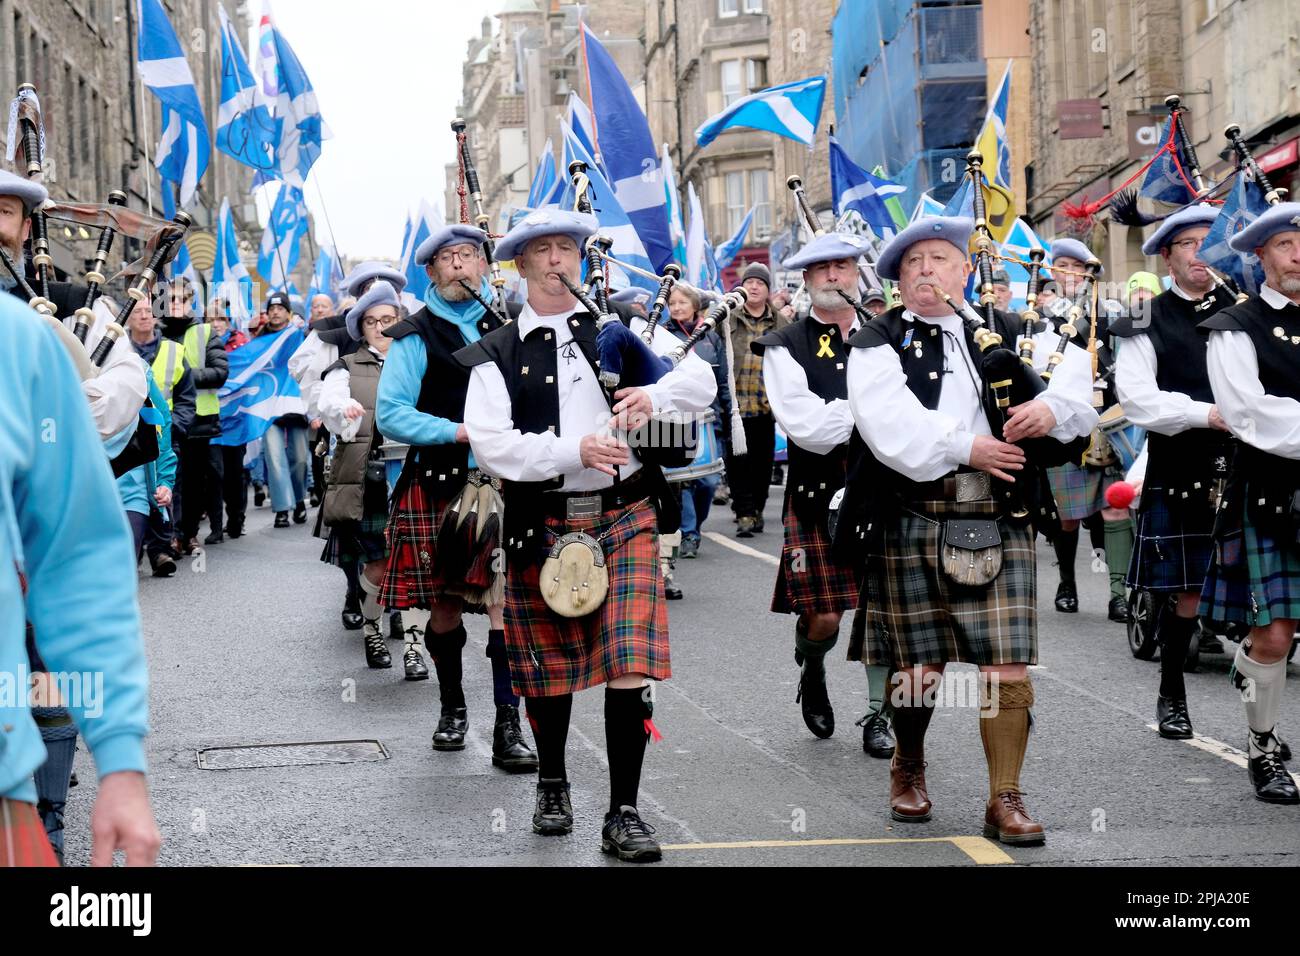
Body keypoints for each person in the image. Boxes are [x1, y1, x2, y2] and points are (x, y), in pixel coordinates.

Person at [457, 209, 715, 861]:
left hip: (625, 515)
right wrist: (577, 449)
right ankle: (551, 782)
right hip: (540, 520)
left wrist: (656, 399)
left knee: (627, 663)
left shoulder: (614, 332)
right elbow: (493, 446)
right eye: (541, 251)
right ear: (519, 266)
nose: (556, 261)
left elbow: (700, 380)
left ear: (581, 258)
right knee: (548, 672)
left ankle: (624, 812)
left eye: (566, 248)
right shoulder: (495, 353)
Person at [843, 215, 1096, 844]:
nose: (925, 270)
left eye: (937, 259)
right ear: (898, 280)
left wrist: (1050, 409)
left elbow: (1078, 386)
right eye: (911, 263)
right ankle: (908, 762)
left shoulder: (1011, 330)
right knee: (918, 670)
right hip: (915, 511)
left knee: (1006, 668)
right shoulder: (877, 341)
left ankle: (1005, 797)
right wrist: (970, 446)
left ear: (965, 269)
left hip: (1000, 515)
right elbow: (890, 428)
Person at [1, 291, 161, 866]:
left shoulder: (21, 339)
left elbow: (79, 565)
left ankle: (50, 818)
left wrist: (121, 761)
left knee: (44, 679)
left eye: (9, 211)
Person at [377, 225, 537, 769]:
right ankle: (452, 707)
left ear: (486, 266)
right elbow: (391, 413)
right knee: (444, 608)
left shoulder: (515, 325)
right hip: (441, 483)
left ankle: (507, 724)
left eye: (468, 256)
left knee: (504, 606)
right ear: (431, 272)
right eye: (447, 259)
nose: (459, 266)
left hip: (510, 483)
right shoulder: (414, 335)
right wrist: (460, 432)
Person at [753, 231, 895, 758]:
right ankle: (812, 665)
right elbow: (807, 427)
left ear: (859, 273)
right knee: (826, 616)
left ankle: (879, 713)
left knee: (885, 610)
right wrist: (872, 410)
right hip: (820, 492)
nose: (835, 275)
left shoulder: (889, 336)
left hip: (884, 486)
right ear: (808, 281)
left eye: (844, 266)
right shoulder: (785, 346)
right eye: (823, 269)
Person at [1112, 205, 1235, 740]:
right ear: (1167, 255)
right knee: (1187, 593)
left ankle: (1261, 714)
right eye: (1189, 243)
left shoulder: (1244, 308)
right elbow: (1137, 400)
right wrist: (1204, 413)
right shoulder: (1144, 317)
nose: (1201, 252)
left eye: (1210, 241)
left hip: (1252, 464)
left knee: (1269, 601)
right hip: (1183, 464)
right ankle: (1171, 693)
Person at [1199, 202, 1300, 804]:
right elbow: (1247, 414)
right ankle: (1263, 747)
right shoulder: (1236, 327)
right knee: (1275, 636)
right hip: (1273, 496)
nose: (1298, 255)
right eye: (1286, 244)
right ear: (1260, 256)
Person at [317, 281, 424, 677]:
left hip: (417, 474)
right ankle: (373, 629)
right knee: (378, 567)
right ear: (360, 329)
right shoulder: (345, 367)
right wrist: (341, 409)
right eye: (371, 321)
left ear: (401, 322)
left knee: (415, 564)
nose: (380, 327)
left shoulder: (418, 361)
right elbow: (327, 403)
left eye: (388, 319)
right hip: (372, 479)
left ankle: (414, 647)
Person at [1040, 237, 1131, 620]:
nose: (1070, 273)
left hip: (1108, 419)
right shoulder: (1043, 316)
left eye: (1077, 267)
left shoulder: (1110, 311)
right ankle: (1066, 583)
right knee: (1068, 515)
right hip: (1064, 421)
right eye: (1061, 266)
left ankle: (1117, 595)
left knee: (1115, 506)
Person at [662, 284, 733, 566]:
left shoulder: (711, 336)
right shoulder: (662, 334)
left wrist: (730, 414)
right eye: (672, 303)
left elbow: (724, 378)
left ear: (694, 306)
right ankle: (689, 534)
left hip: (710, 418)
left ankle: (696, 525)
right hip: (678, 417)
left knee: (708, 481)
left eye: (682, 302)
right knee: (684, 480)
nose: (677, 307)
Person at [162, 279, 229, 549]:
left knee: (192, 481)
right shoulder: (158, 333)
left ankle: (188, 533)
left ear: (191, 302)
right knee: (170, 480)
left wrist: (185, 376)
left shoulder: (205, 332)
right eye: (172, 299)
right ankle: (171, 535)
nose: (177, 304)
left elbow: (220, 372)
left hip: (199, 421)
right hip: (165, 419)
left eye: (182, 299)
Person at [724, 261, 787, 537]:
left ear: (767, 289)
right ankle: (744, 513)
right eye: (749, 282)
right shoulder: (728, 319)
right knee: (737, 465)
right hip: (736, 408)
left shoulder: (781, 323)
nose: (754, 286)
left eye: (760, 282)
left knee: (762, 466)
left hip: (765, 406)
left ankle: (758, 509)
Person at [257, 292, 311, 527]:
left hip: (295, 407)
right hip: (269, 409)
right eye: (271, 309)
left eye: (280, 308)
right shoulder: (260, 340)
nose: (275, 312)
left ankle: (299, 500)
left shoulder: (299, 335)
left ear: (289, 313)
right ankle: (281, 509)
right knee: (275, 459)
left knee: (299, 459)